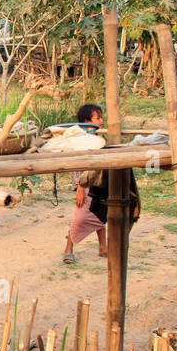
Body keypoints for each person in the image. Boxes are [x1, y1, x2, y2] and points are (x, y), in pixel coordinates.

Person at [63, 103, 106, 264]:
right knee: (80, 218)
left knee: (100, 213)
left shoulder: (97, 136)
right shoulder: (81, 139)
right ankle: (69, 248)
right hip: (86, 184)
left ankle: (103, 247)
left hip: (99, 183)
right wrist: (80, 188)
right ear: (87, 121)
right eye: (98, 118)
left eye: (101, 117)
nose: (101, 121)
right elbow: (80, 167)